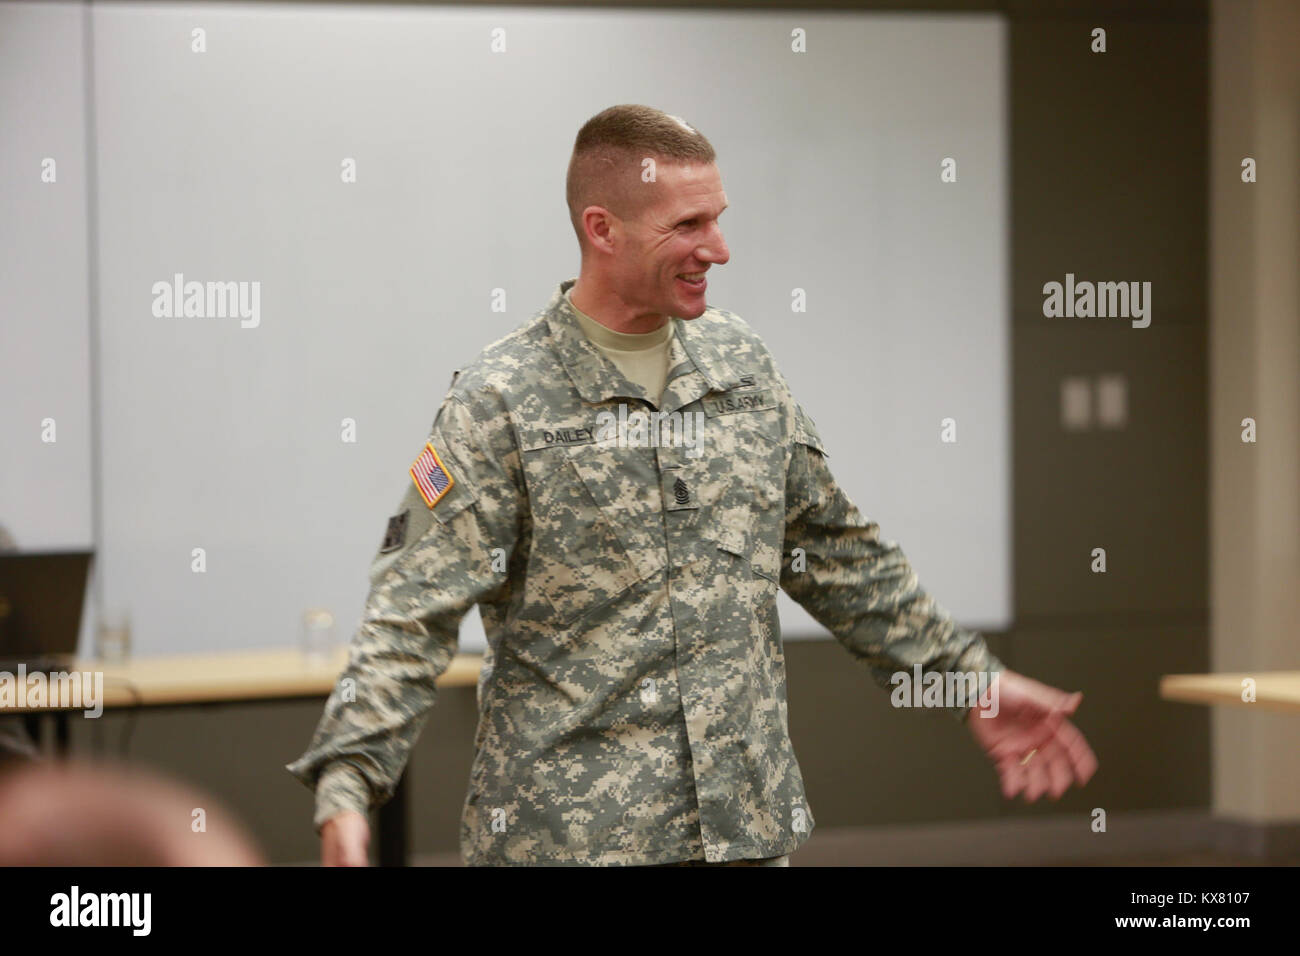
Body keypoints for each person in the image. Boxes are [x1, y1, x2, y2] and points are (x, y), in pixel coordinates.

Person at [288, 104, 1097, 867]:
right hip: (571, 845)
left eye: (718, 218)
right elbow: (412, 606)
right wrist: (349, 780)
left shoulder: (739, 365)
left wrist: (966, 678)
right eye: (688, 225)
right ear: (600, 230)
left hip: (742, 831)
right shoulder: (502, 399)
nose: (719, 248)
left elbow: (834, 552)